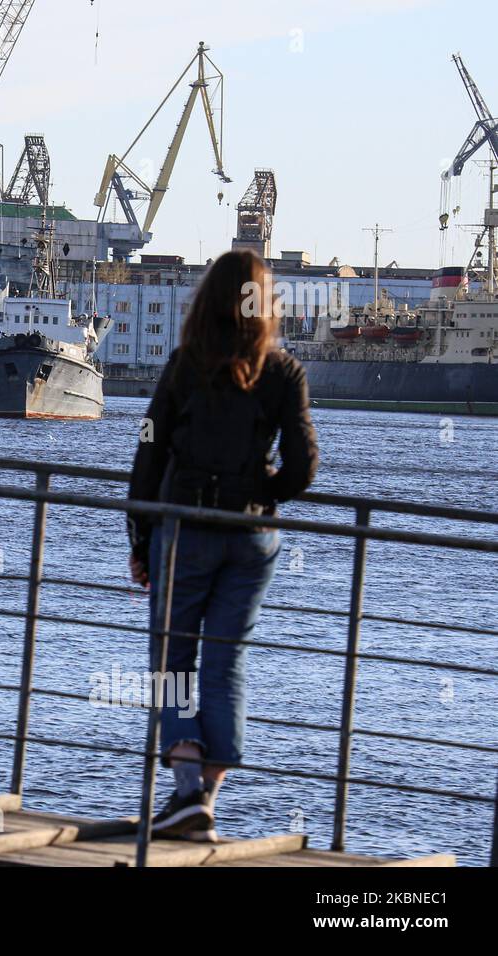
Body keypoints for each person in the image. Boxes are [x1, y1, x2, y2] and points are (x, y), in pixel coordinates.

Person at [127, 250, 319, 841]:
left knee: (172, 663)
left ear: (206, 302)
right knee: (226, 663)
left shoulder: (186, 365)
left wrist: (140, 540)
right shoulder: (283, 372)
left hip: (184, 530)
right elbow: (304, 464)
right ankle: (202, 800)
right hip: (253, 536)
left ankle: (187, 793)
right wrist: (262, 492)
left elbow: (148, 453)